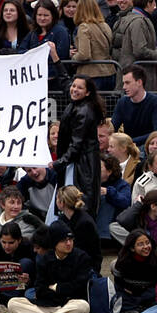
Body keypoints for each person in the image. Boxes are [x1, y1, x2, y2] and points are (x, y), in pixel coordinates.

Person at [8, 220, 93, 313]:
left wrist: (56, 288)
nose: (68, 243)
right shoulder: (45, 259)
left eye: (70, 239)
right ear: (54, 243)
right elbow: (39, 289)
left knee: (83, 306)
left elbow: (79, 287)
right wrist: (63, 290)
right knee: (13, 303)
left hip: (69, 305)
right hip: (47, 306)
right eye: (63, 240)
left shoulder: (81, 257)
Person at [54, 75, 104, 215]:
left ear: (87, 92)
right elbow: (66, 83)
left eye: (80, 87)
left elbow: (77, 144)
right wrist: (55, 58)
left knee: (75, 206)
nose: (74, 89)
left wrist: (59, 163)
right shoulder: (78, 104)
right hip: (75, 163)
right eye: (74, 86)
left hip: (81, 166)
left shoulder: (84, 111)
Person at [110, 65, 157, 147]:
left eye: (127, 83)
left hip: (148, 146)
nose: (124, 87)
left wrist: (129, 142)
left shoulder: (155, 102)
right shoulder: (122, 102)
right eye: (123, 83)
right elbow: (112, 127)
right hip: (128, 147)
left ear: (139, 82)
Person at [112, 229, 157, 313]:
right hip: (129, 297)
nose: (146, 247)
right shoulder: (122, 262)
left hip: (149, 296)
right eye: (140, 244)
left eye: (147, 242)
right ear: (132, 248)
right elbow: (119, 286)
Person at [55, 184, 102, 265]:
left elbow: (84, 251)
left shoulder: (84, 223)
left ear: (62, 203)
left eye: (57, 198)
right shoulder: (63, 218)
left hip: (86, 264)